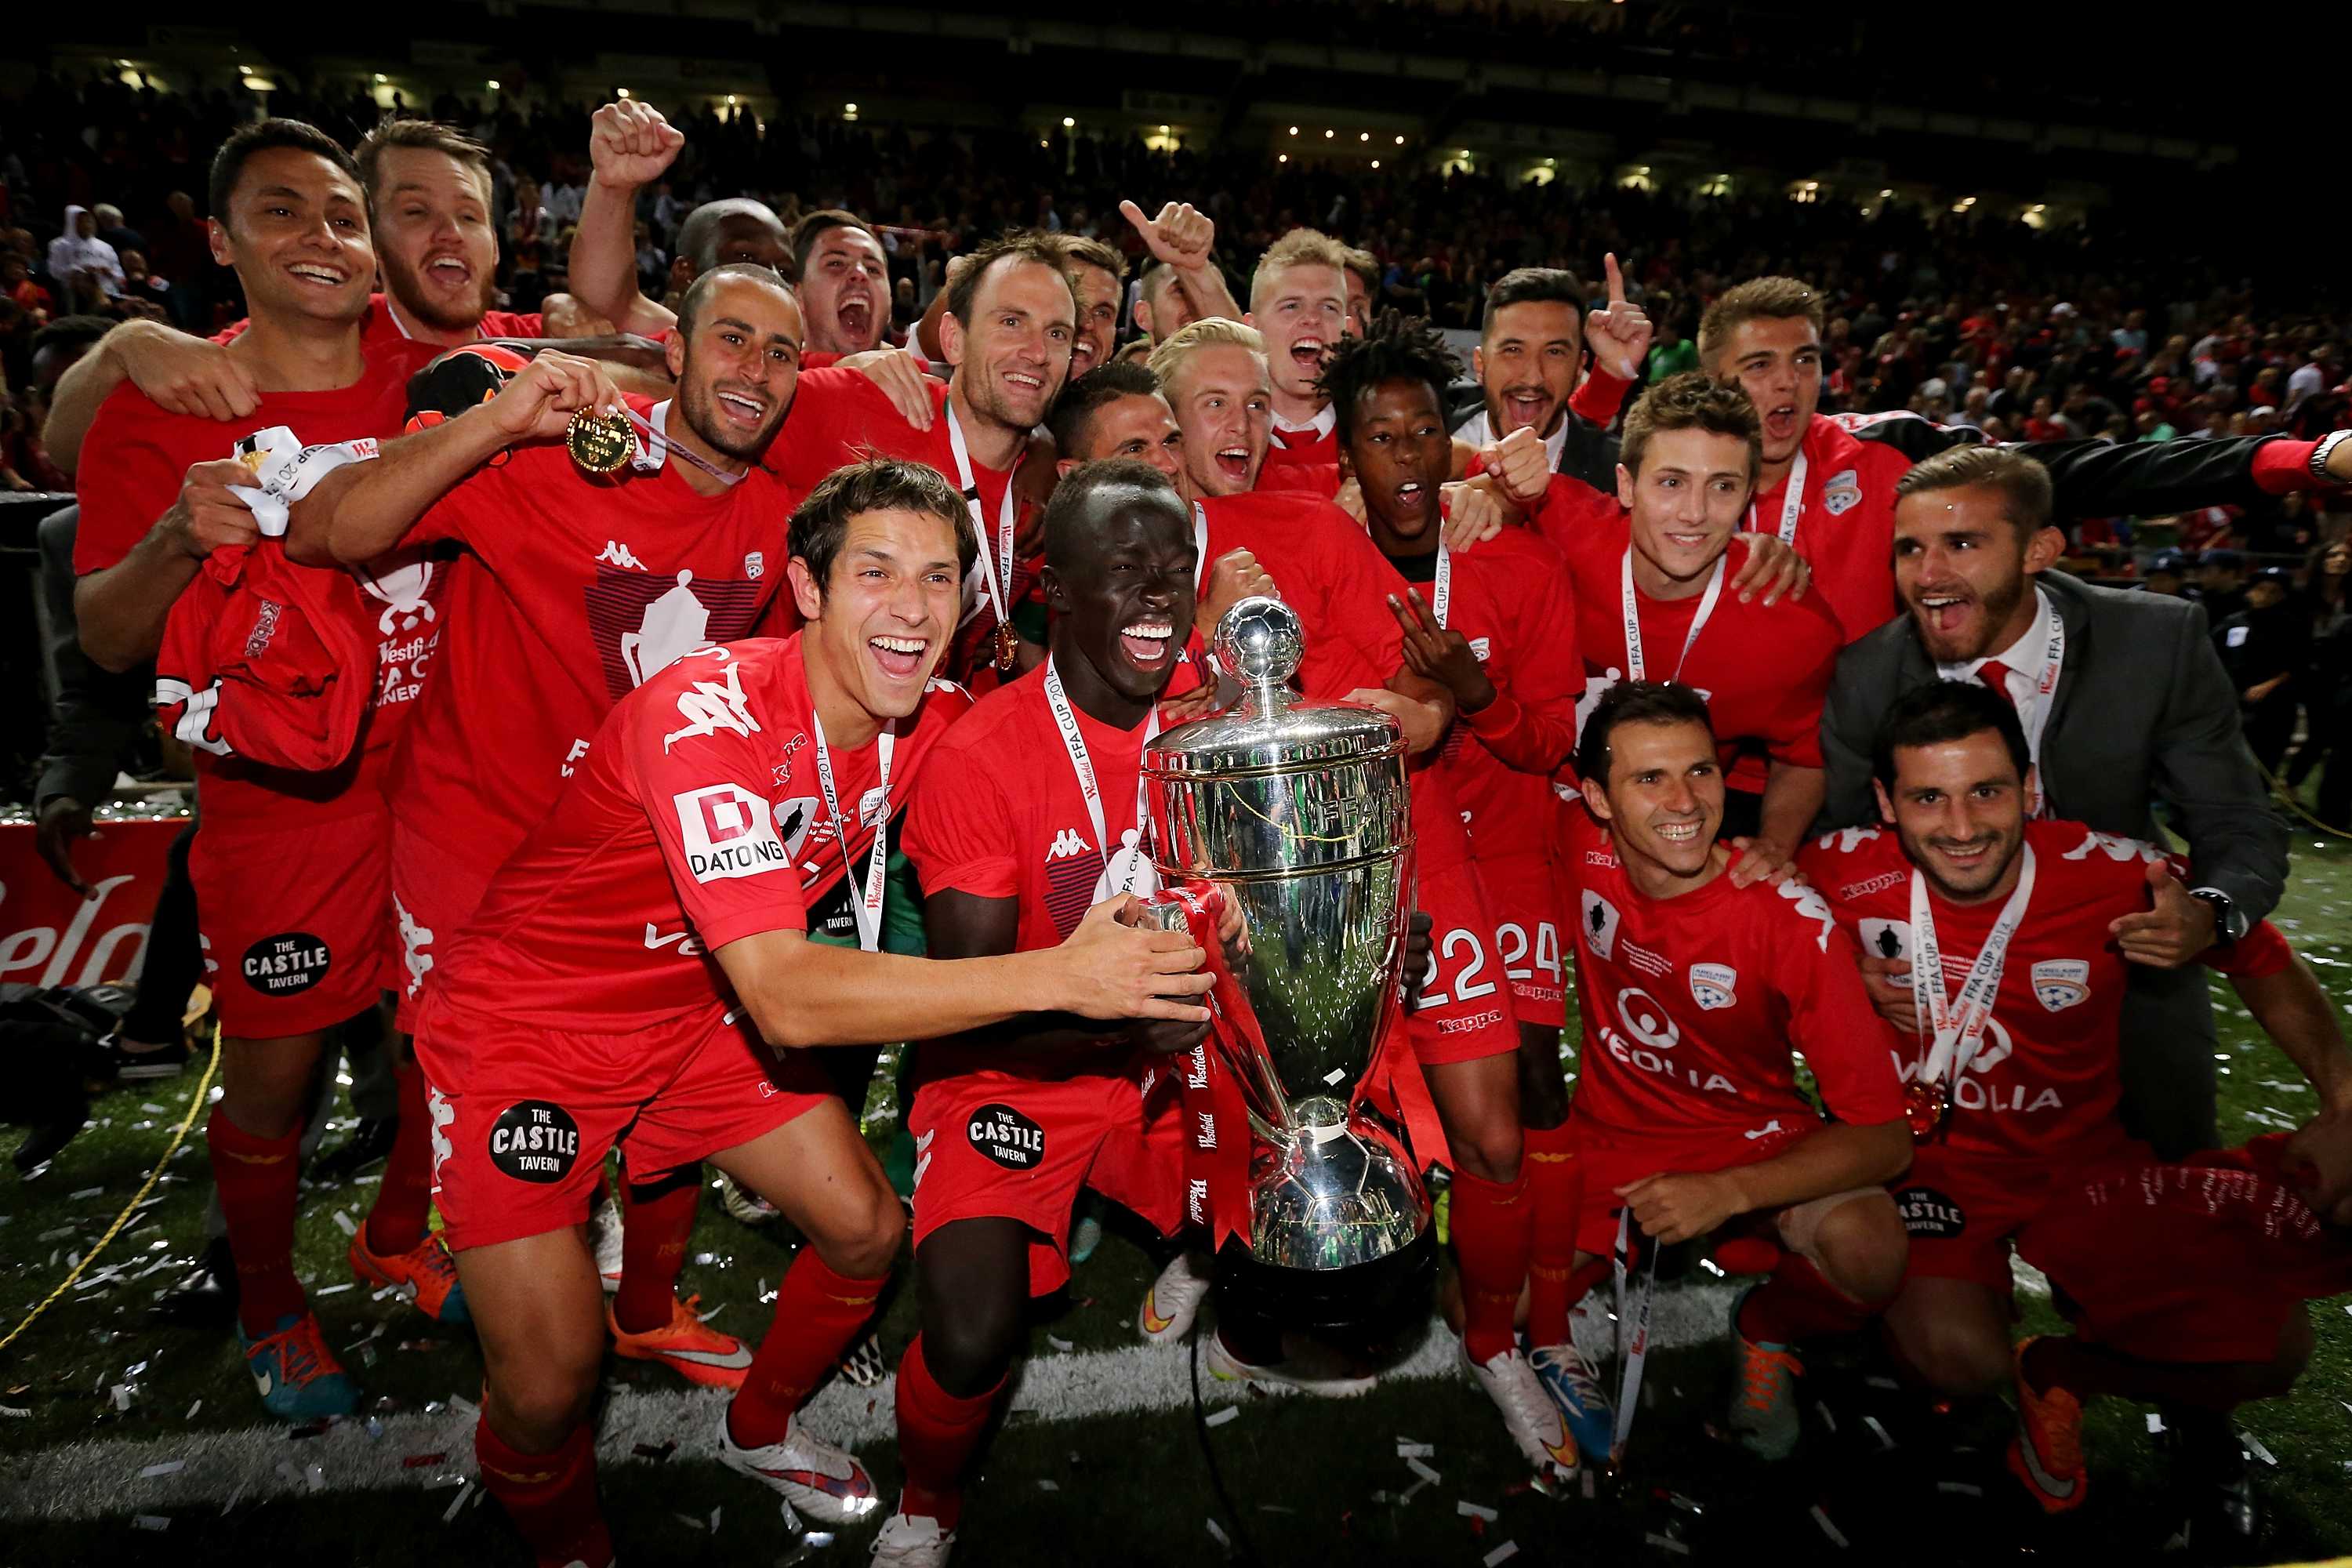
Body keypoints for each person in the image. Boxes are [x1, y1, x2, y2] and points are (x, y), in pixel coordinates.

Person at [416, 458, 1214, 1568]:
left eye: (939, 579)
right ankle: (571, 1548)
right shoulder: (701, 715)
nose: (912, 608)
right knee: (550, 1389)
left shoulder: (927, 721)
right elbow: (787, 995)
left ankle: (758, 1429)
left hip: (694, 1020)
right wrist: (1062, 976)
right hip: (533, 1029)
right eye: (875, 572)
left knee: (864, 1228)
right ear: (805, 587)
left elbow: (1085, 706)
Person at [283, 264, 814, 1379]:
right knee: (472, 1084)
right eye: (731, 339)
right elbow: (329, 531)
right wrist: (497, 419)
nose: (753, 370)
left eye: (779, 352)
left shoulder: (774, 516)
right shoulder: (551, 456)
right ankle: (479, 1283)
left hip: (618, 861)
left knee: (645, 1071)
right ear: (674, 350)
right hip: (475, 836)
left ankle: (460, 1255)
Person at [1101, 325, 1570, 1475]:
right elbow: (1106, 729)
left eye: (1256, 405)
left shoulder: (1311, 526)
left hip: (1395, 867)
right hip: (1232, 890)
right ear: (1162, 427)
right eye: (1209, 405)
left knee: (1495, 1134)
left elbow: (1422, 681)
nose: (1236, 427)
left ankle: (1497, 1342)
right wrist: (1212, 635)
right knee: (1244, 1109)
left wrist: (1410, 713)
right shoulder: (1125, 558)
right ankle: (1216, 1250)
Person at [70, 119, 459, 1420]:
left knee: (439, 1048)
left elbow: (598, 340)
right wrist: (184, 531)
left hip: (444, 789)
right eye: (283, 212)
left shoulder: (435, 364)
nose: (324, 239)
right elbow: (108, 636)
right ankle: (270, 1302)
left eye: (344, 216)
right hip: (283, 810)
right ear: (222, 242)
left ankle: (397, 1235)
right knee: (278, 1082)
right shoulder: (170, 403)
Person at [1802, 681, 2352, 1540]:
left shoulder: (2113, 871)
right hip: (1926, 1165)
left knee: (2268, 1352)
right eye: (1927, 796)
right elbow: (1735, 941)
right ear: (1885, 802)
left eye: (1986, 790)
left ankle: (2062, 1368)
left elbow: (2260, 954)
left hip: (2081, 1164)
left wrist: (2347, 1095)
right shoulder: (1836, 868)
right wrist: (1834, 978)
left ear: (2027, 787)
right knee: (1952, 1360)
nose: (1961, 824)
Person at [880, 461, 1225, 1567]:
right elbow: (977, 1013)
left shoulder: (1219, 723)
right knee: (975, 1334)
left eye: (1176, 572)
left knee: (1325, 1197)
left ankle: (1207, 1244)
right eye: (1126, 572)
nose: (1160, 598)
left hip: (1177, 1052)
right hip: (1013, 1067)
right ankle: (928, 1503)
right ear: (1054, 590)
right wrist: (1134, 1017)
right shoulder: (981, 754)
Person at [1818, 445, 2292, 1160]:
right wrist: (1852, 965)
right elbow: (1839, 837)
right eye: (1910, 549)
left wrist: (2210, 912)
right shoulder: (1867, 671)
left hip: (2124, 960)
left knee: (2159, 1193)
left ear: (2039, 549)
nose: (1928, 575)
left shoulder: (2155, 641)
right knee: (1907, 1213)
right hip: (1928, 973)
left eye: (1962, 544)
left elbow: (2235, 821)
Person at [1313, 314, 1602, 1438]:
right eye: (1379, 439)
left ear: (1453, 445)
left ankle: (1535, 1328)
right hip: (1414, 847)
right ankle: (1483, 1329)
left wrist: (1474, 694)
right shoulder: (1321, 562)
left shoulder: (1515, 561)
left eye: (1424, 434)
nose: (1405, 459)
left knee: (1531, 1099)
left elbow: (1547, 742)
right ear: (1347, 454)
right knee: (1454, 1121)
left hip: (1515, 846)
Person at [1559, 680, 1911, 1462]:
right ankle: (1569, 1308)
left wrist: (1729, 1191)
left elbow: (1888, 1140)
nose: (1684, 799)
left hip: (1749, 1139)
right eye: (1649, 777)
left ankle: (1769, 1328)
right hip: (1614, 1132)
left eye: (1702, 770)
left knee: (1869, 1247)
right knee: (1481, 1297)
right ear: (1597, 798)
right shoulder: (1575, 845)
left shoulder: (1785, 912)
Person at [1697, 276, 2352, 641]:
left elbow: (2085, 474)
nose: (1789, 383)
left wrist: (2308, 458)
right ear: (1715, 379)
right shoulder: (1677, 476)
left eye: (1804, 360)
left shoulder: (1888, 447)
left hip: (1858, 748)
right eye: (1760, 366)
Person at [41, 118, 619, 477]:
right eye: (416, 212)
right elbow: (70, 451)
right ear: (374, 242)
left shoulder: (529, 340)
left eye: (470, 216)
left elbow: (674, 353)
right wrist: (125, 345)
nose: (450, 234)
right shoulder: (317, 346)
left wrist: (615, 189)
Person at [1545, 373, 1845, 864]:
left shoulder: (1794, 628)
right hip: (1540, 808)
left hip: (1672, 832)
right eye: (1671, 482)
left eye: (1722, 486)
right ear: (1626, 485)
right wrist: (1475, 493)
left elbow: (1804, 758)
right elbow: (1457, 465)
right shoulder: (1559, 525)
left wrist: (1774, 845)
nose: (1694, 513)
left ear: (1749, 497)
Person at [776, 233, 1077, 688]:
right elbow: (720, 395)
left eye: (1056, 334)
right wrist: (842, 362)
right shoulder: (861, 407)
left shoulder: (1056, 492)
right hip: (797, 726)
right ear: (953, 340)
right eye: (1011, 322)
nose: (1036, 353)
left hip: (931, 731)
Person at [1447, 262, 1648, 494]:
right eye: (1513, 350)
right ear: (1480, 363)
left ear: (1578, 368)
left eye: (1554, 352)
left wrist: (1616, 372)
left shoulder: (1620, 480)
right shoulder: (1425, 433)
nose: (1533, 377)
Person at [1247, 228, 1352, 481]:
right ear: (1253, 330)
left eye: (1328, 307)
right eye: (1292, 306)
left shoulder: (1377, 440)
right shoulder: (1221, 443)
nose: (1313, 319)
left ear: (1346, 331)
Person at [2212, 566, 2304, 772]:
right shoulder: (2232, 623)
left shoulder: (2292, 626)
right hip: (2233, 703)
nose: (2266, 596)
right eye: (2261, 589)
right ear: (2249, 591)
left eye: (2274, 591)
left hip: (2274, 707)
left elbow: (2297, 663)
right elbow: (2212, 656)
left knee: (2265, 761)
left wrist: (2268, 686)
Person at [790, 208, 892, 361]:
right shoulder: (764, 379)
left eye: (872, 269)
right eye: (836, 263)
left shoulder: (928, 380)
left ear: (890, 304)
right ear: (798, 296)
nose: (860, 273)